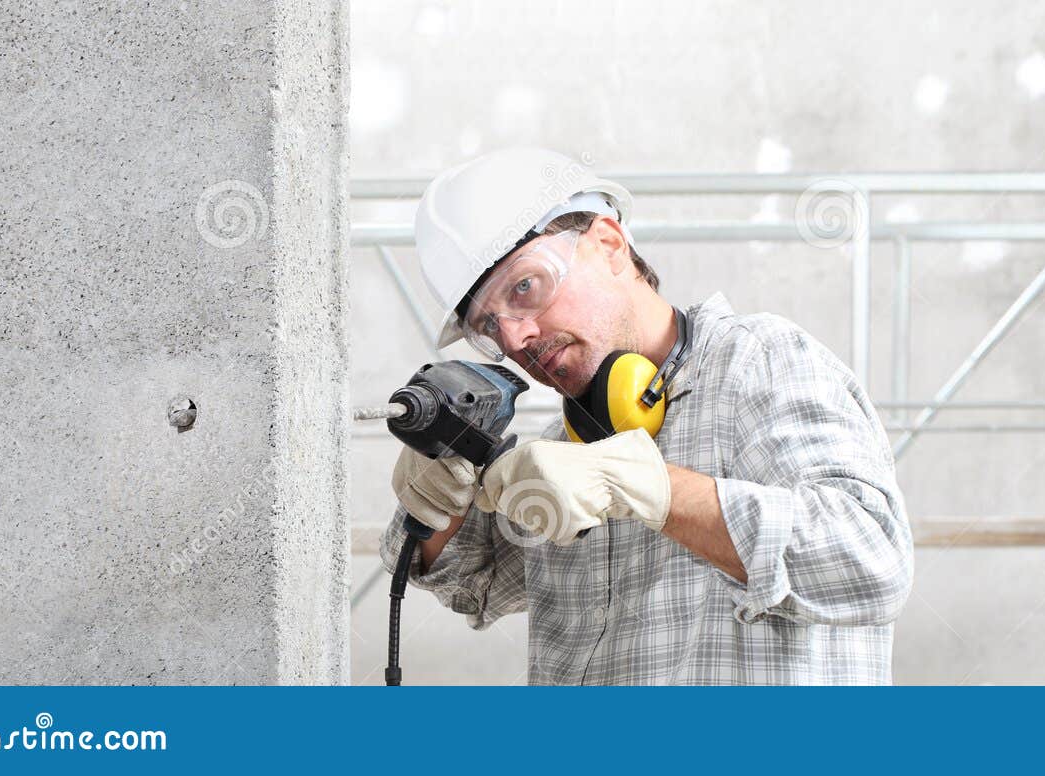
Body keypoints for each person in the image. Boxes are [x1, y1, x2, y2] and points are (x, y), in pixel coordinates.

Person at [380, 147, 912, 684]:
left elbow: (870, 562)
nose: (516, 336)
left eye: (525, 287)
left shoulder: (759, 363)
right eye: (489, 326)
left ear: (610, 245)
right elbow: (476, 586)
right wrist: (439, 496)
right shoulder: (562, 455)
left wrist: (646, 487)